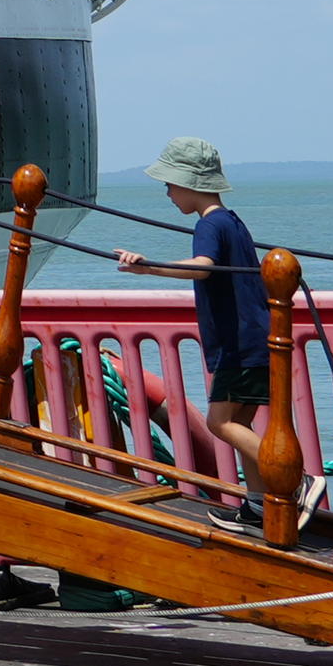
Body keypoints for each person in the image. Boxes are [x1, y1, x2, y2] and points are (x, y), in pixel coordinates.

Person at [111, 135, 274, 462]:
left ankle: (294, 477)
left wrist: (149, 268)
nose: (168, 193)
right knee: (241, 423)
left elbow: (203, 268)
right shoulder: (233, 222)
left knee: (220, 422)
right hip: (257, 341)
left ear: (189, 183)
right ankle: (258, 507)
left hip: (237, 347)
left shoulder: (209, 225)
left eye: (171, 184)